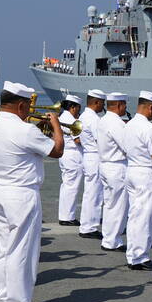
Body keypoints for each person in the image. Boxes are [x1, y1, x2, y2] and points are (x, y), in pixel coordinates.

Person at [0, 81, 62, 302]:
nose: (29, 111)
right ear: (20, 105)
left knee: (4, 249)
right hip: (22, 194)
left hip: (0, 191)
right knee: (23, 251)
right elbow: (57, 150)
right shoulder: (25, 130)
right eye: (27, 107)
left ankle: (3, 301)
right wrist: (56, 126)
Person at [123, 91, 152, 271]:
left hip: (131, 170)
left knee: (135, 215)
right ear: (151, 107)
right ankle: (140, 257)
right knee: (145, 216)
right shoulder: (148, 128)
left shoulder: (128, 125)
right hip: (146, 173)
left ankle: (133, 253)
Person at [99, 92, 130, 252]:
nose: (126, 107)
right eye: (124, 104)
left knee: (110, 204)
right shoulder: (116, 123)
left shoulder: (104, 120)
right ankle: (113, 241)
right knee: (119, 206)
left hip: (105, 164)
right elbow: (127, 146)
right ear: (118, 105)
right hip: (117, 166)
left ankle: (108, 238)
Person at [77, 90, 106, 239]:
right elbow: (100, 140)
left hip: (88, 155)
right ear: (96, 102)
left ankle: (86, 224)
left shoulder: (83, 116)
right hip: (95, 156)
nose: (103, 105)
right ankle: (89, 227)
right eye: (102, 102)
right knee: (94, 194)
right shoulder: (94, 119)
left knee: (90, 193)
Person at [56, 94, 83, 226]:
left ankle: (65, 215)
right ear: (73, 107)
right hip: (73, 155)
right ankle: (67, 217)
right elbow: (78, 139)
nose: (79, 110)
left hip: (66, 155)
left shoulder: (63, 117)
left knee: (67, 185)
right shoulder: (71, 120)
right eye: (78, 107)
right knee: (72, 187)